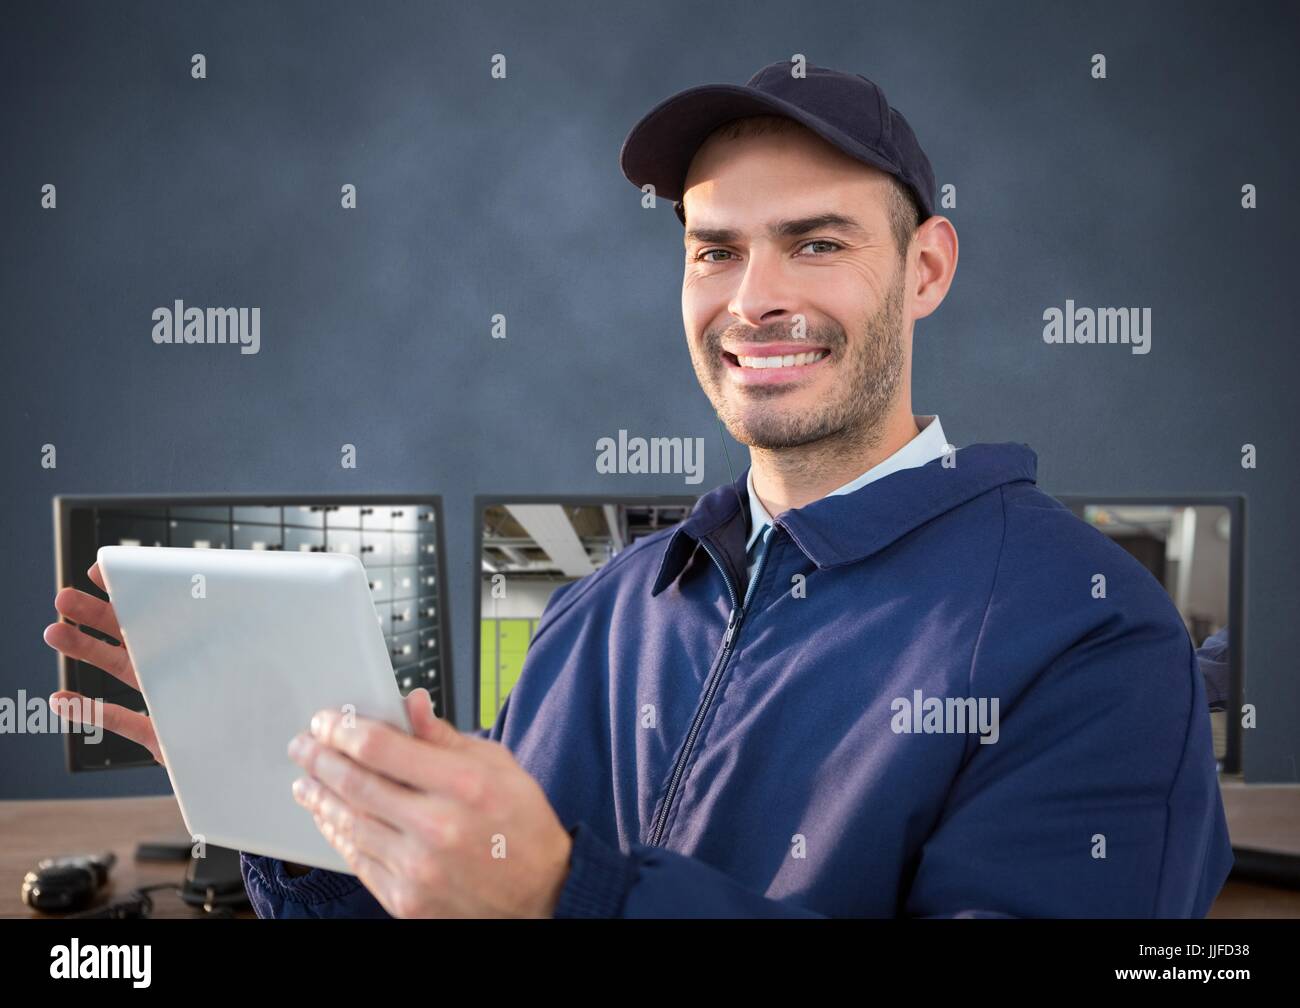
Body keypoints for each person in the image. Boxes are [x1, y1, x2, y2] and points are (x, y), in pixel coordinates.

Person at [45, 61, 1232, 918]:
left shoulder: (1092, 639)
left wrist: (569, 895)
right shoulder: (596, 613)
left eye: (816, 243)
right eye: (715, 250)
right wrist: (313, 818)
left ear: (924, 269)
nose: (753, 299)